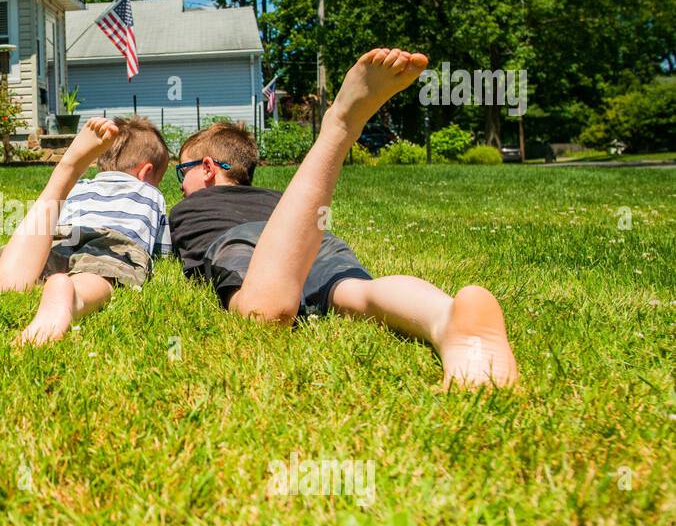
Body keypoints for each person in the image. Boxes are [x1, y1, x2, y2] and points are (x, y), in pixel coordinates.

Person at [170, 48, 517, 389]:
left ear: (207, 168)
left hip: (241, 240)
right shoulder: (282, 199)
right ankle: (447, 318)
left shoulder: (191, 206)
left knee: (263, 315)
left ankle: (338, 127)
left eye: (181, 171)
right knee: (357, 293)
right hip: (309, 237)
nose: (181, 185)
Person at [0, 116, 171, 345]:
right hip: (112, 243)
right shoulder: (150, 193)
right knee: (97, 275)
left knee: (28, 266)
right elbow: (163, 248)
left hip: (64, 235)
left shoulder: (81, 187)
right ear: (147, 172)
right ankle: (73, 295)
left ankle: (9, 280)